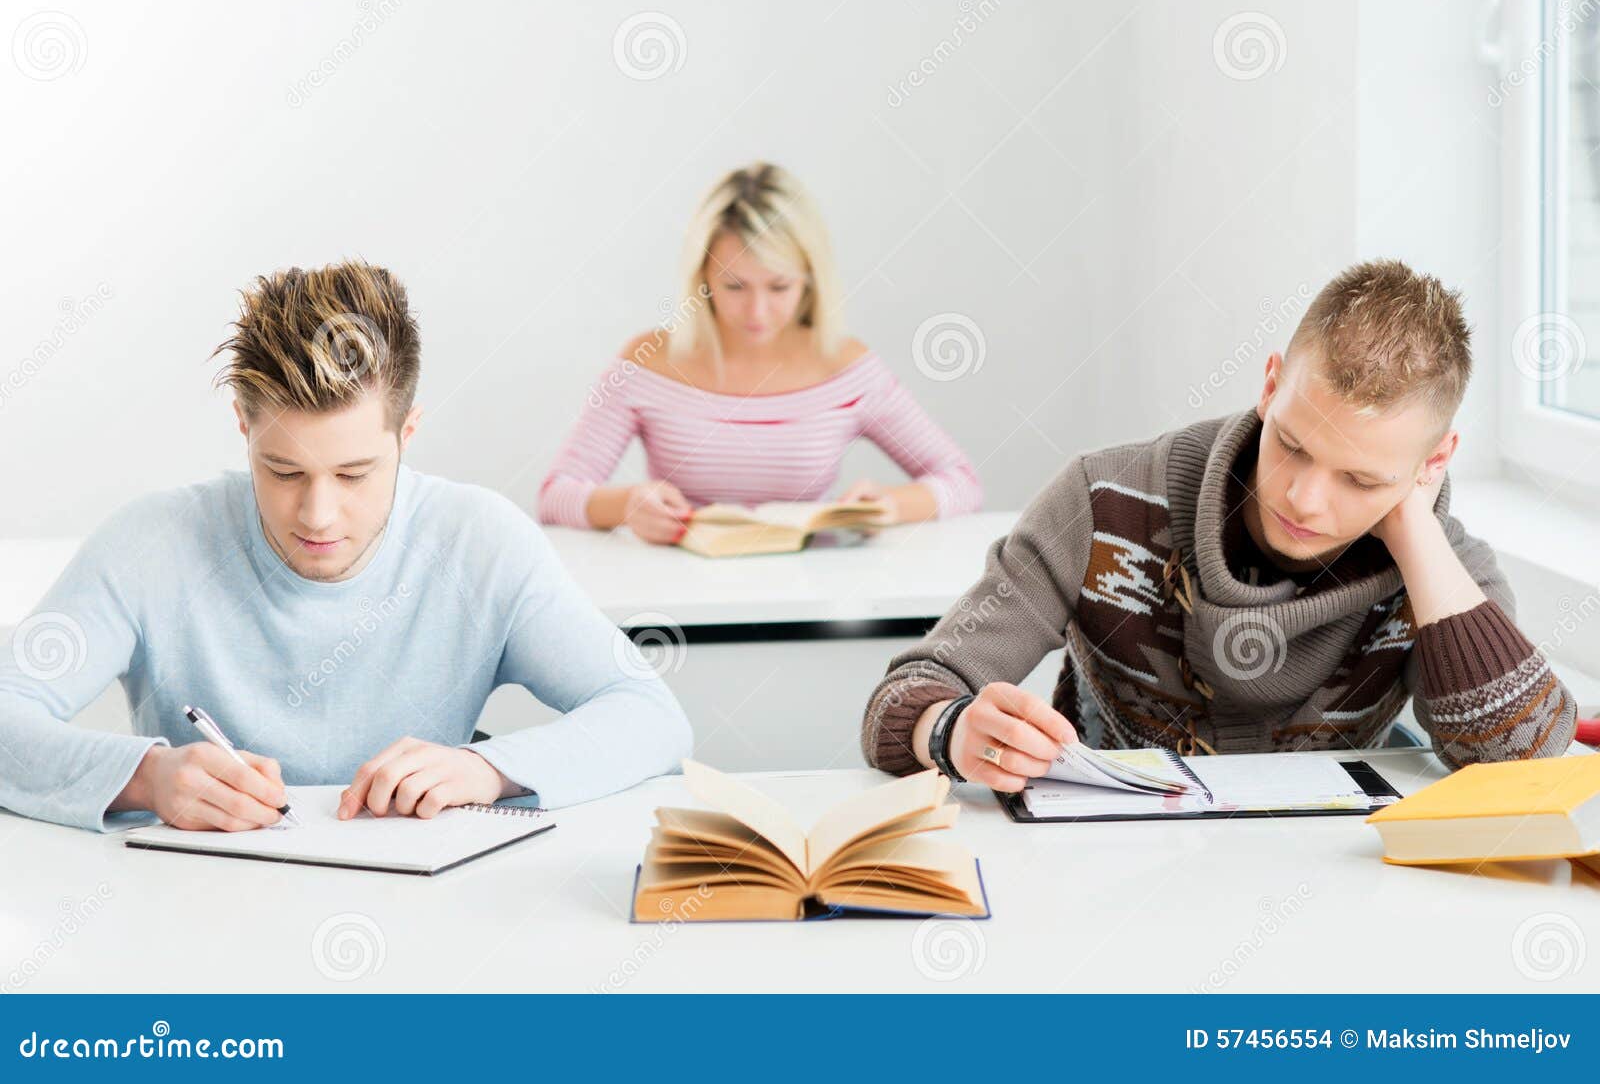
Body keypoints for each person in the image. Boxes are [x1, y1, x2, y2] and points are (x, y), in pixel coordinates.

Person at [0, 260, 691, 833]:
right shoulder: (151, 544)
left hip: (424, 915)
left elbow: (650, 717)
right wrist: (147, 778)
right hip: (199, 910)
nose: (318, 514)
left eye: (354, 474)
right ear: (243, 426)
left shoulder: (480, 542)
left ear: (407, 433)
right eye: (283, 471)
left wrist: (486, 770)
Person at [861, 259, 1577, 789]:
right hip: (1106, 877)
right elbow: (901, 699)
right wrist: (952, 730)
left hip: (1331, 892)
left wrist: (1414, 530)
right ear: (1270, 384)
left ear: (1435, 460)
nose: (1305, 499)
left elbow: (1523, 764)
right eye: (1292, 444)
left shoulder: (1443, 571)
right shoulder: (1100, 500)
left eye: (1361, 479)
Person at [539, 162, 982, 543]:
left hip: (812, 590)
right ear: (703, 276)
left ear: (810, 278)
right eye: (734, 286)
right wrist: (626, 505)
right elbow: (556, 496)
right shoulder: (648, 361)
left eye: (779, 286)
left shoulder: (847, 368)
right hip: (679, 593)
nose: (757, 312)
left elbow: (961, 480)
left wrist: (891, 505)